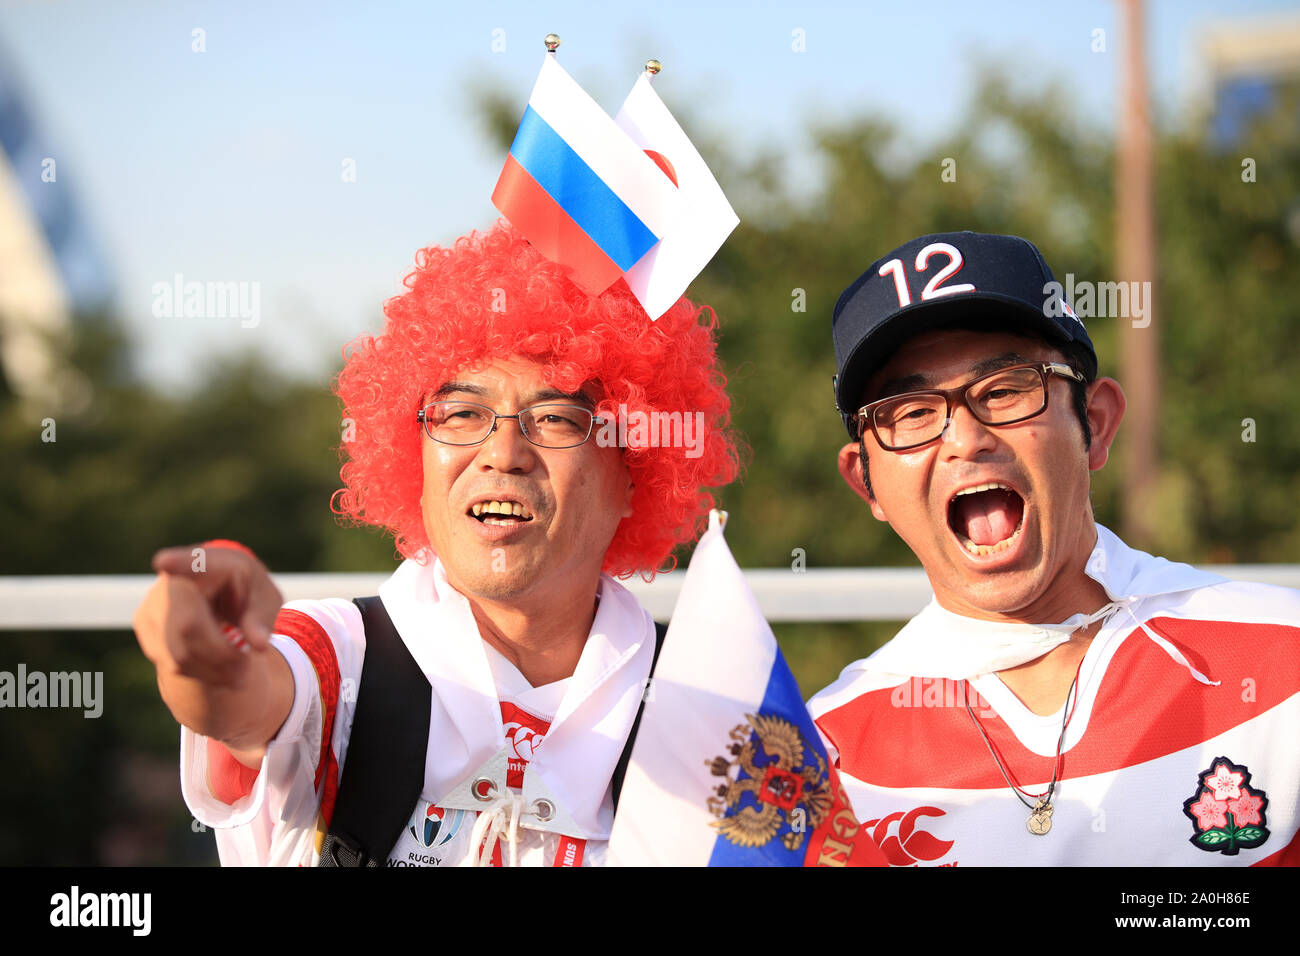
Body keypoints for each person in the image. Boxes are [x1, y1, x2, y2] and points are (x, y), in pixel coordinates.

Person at [132, 223, 739, 866]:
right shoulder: (338, 656)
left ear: (636, 474)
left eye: (557, 418)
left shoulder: (710, 715)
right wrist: (207, 655)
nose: (503, 453)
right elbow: (243, 701)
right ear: (412, 455)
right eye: (461, 414)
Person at [809, 231, 1299, 866]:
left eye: (1006, 390)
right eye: (910, 412)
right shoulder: (823, 758)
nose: (964, 439)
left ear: (1094, 424)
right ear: (865, 479)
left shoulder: (1285, 661)